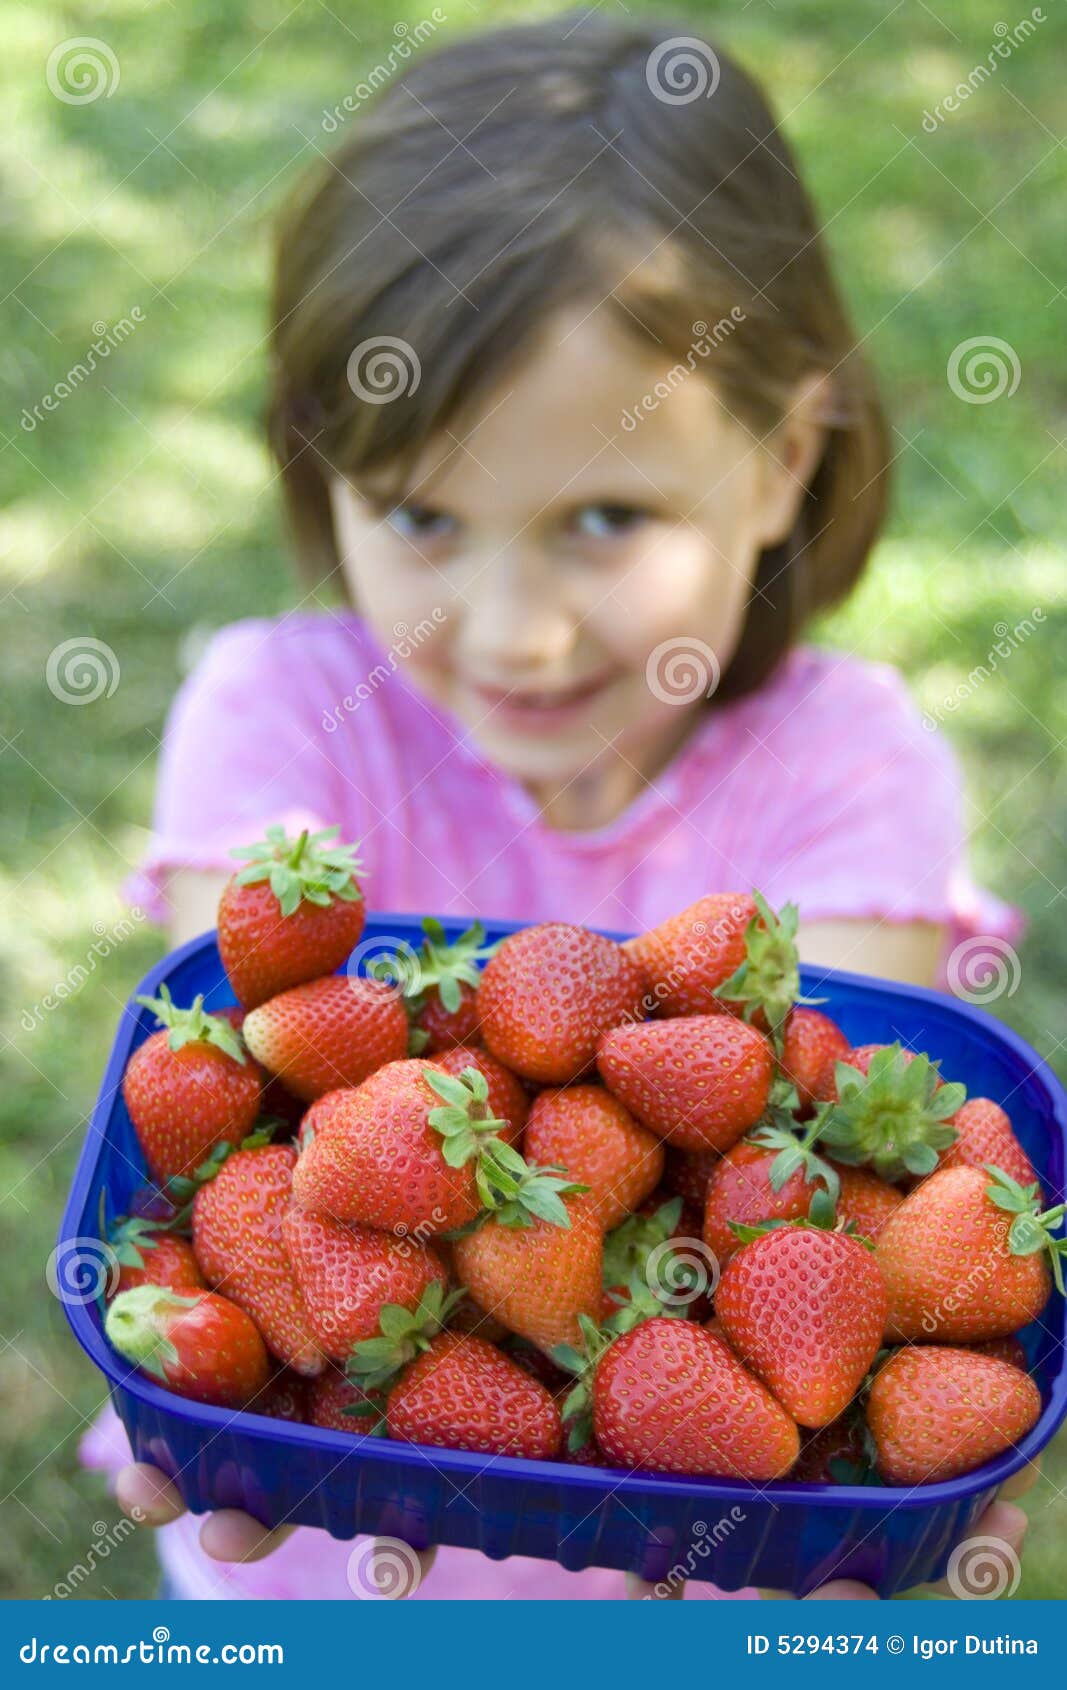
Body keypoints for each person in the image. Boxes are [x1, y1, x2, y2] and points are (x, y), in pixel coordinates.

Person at [85, 12, 1028, 1599]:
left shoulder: (858, 767)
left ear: (787, 457)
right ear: (325, 475)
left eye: (603, 514)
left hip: (695, 1558)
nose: (515, 631)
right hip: (316, 1531)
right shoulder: (275, 719)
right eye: (423, 516)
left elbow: (819, 1165)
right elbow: (252, 1113)